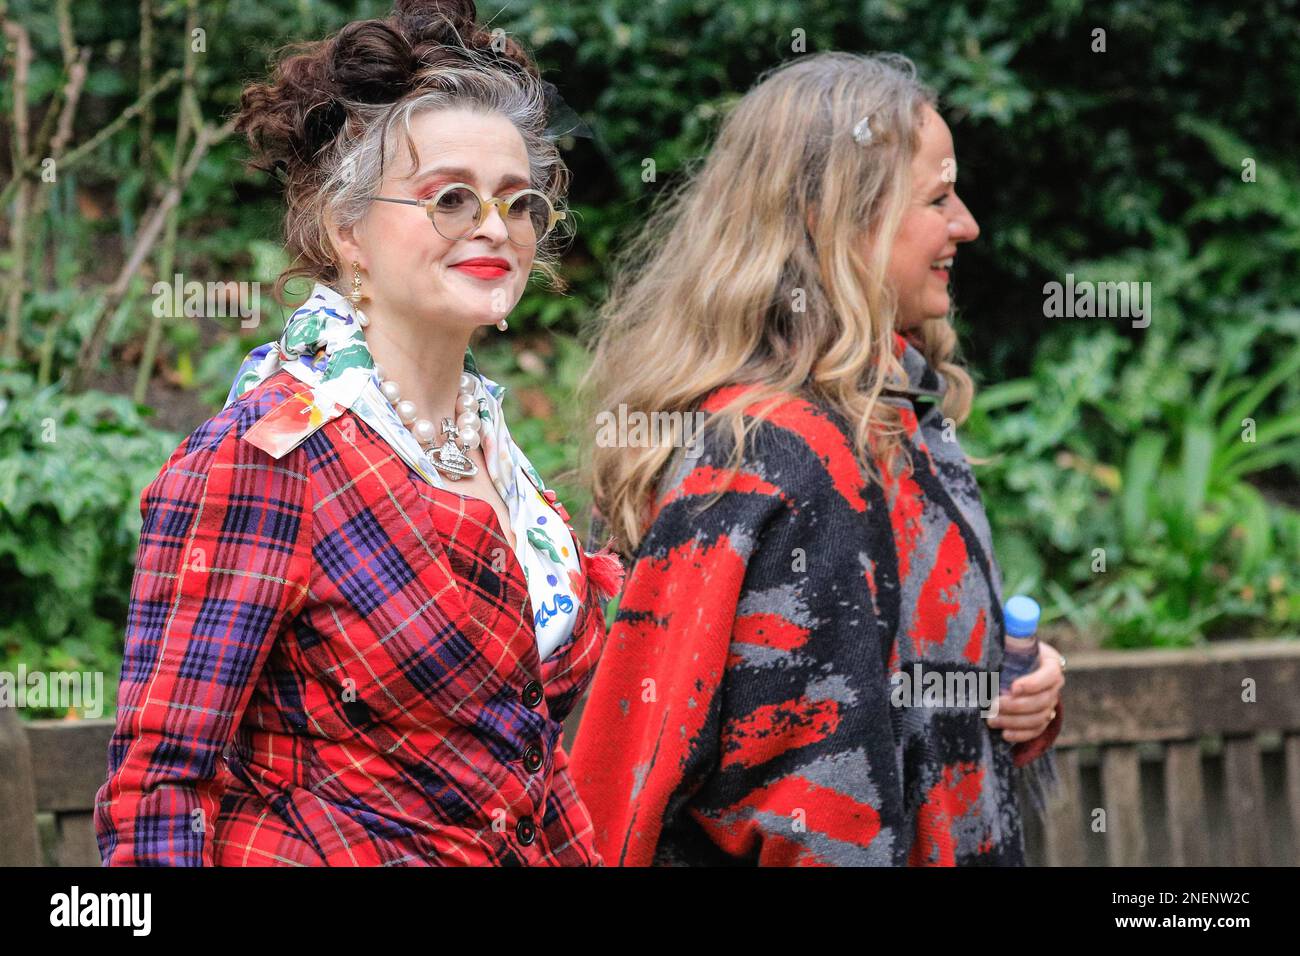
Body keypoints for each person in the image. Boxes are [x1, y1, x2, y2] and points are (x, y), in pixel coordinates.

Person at [94, 0, 620, 866]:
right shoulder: (268, 456)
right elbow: (161, 792)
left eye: (519, 202)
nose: (495, 226)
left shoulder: (494, 448)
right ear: (347, 231)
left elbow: (518, 760)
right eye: (450, 197)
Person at [570, 51, 1064, 866]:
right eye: (938, 198)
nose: (967, 223)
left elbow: (900, 684)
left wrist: (1013, 685)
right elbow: (800, 805)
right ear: (832, 219)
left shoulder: (899, 409)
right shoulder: (780, 457)